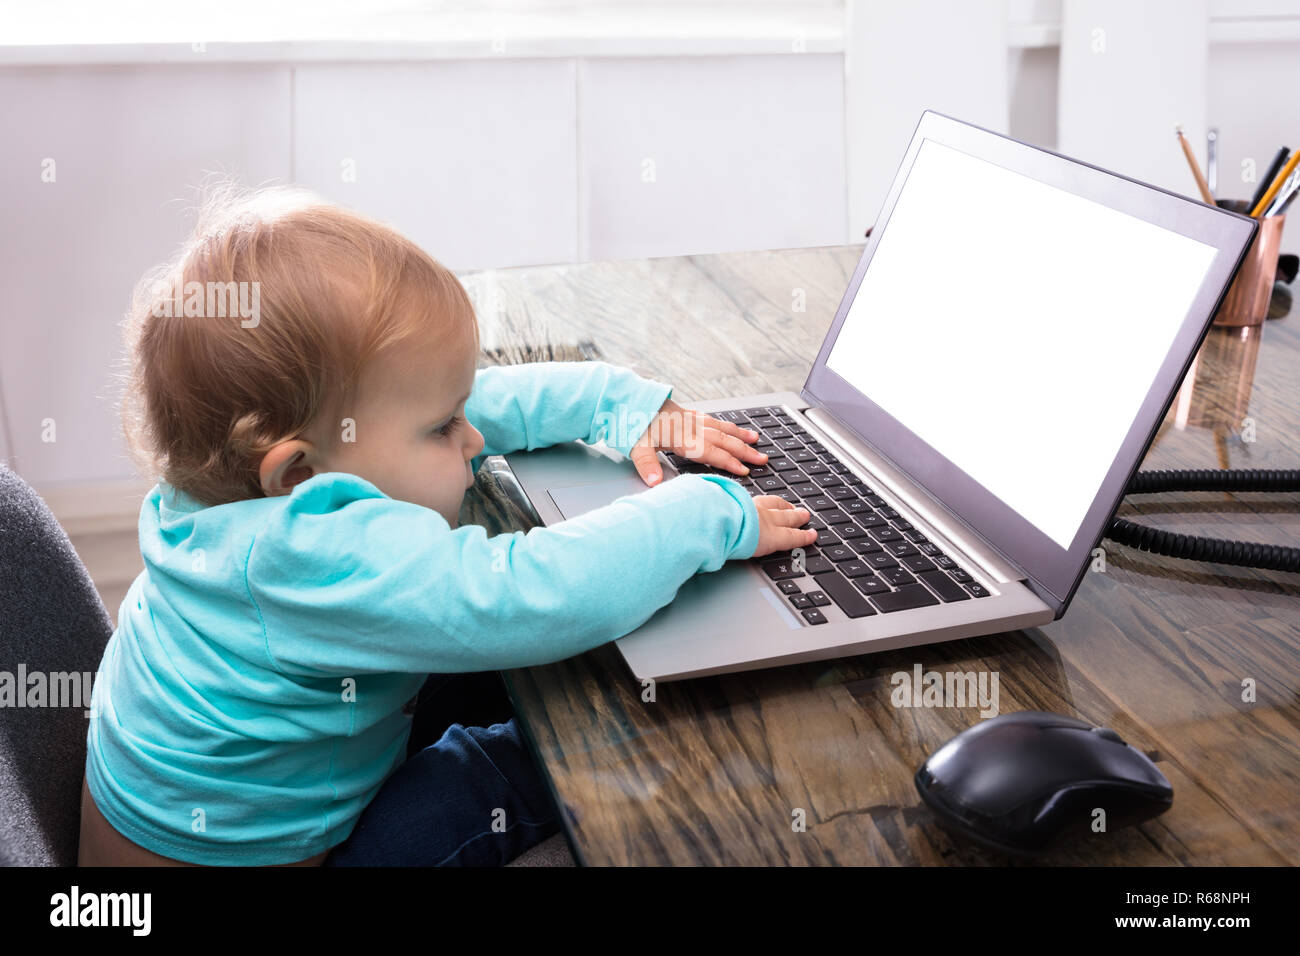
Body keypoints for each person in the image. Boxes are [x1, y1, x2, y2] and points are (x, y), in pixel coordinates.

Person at [78, 184, 817, 866]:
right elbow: (524, 595)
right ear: (298, 473)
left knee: (511, 677)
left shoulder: (227, 477)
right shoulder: (309, 554)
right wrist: (703, 513)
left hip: (209, 810)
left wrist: (615, 406)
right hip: (272, 861)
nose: (471, 438)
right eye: (444, 429)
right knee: (500, 771)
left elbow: (441, 405)